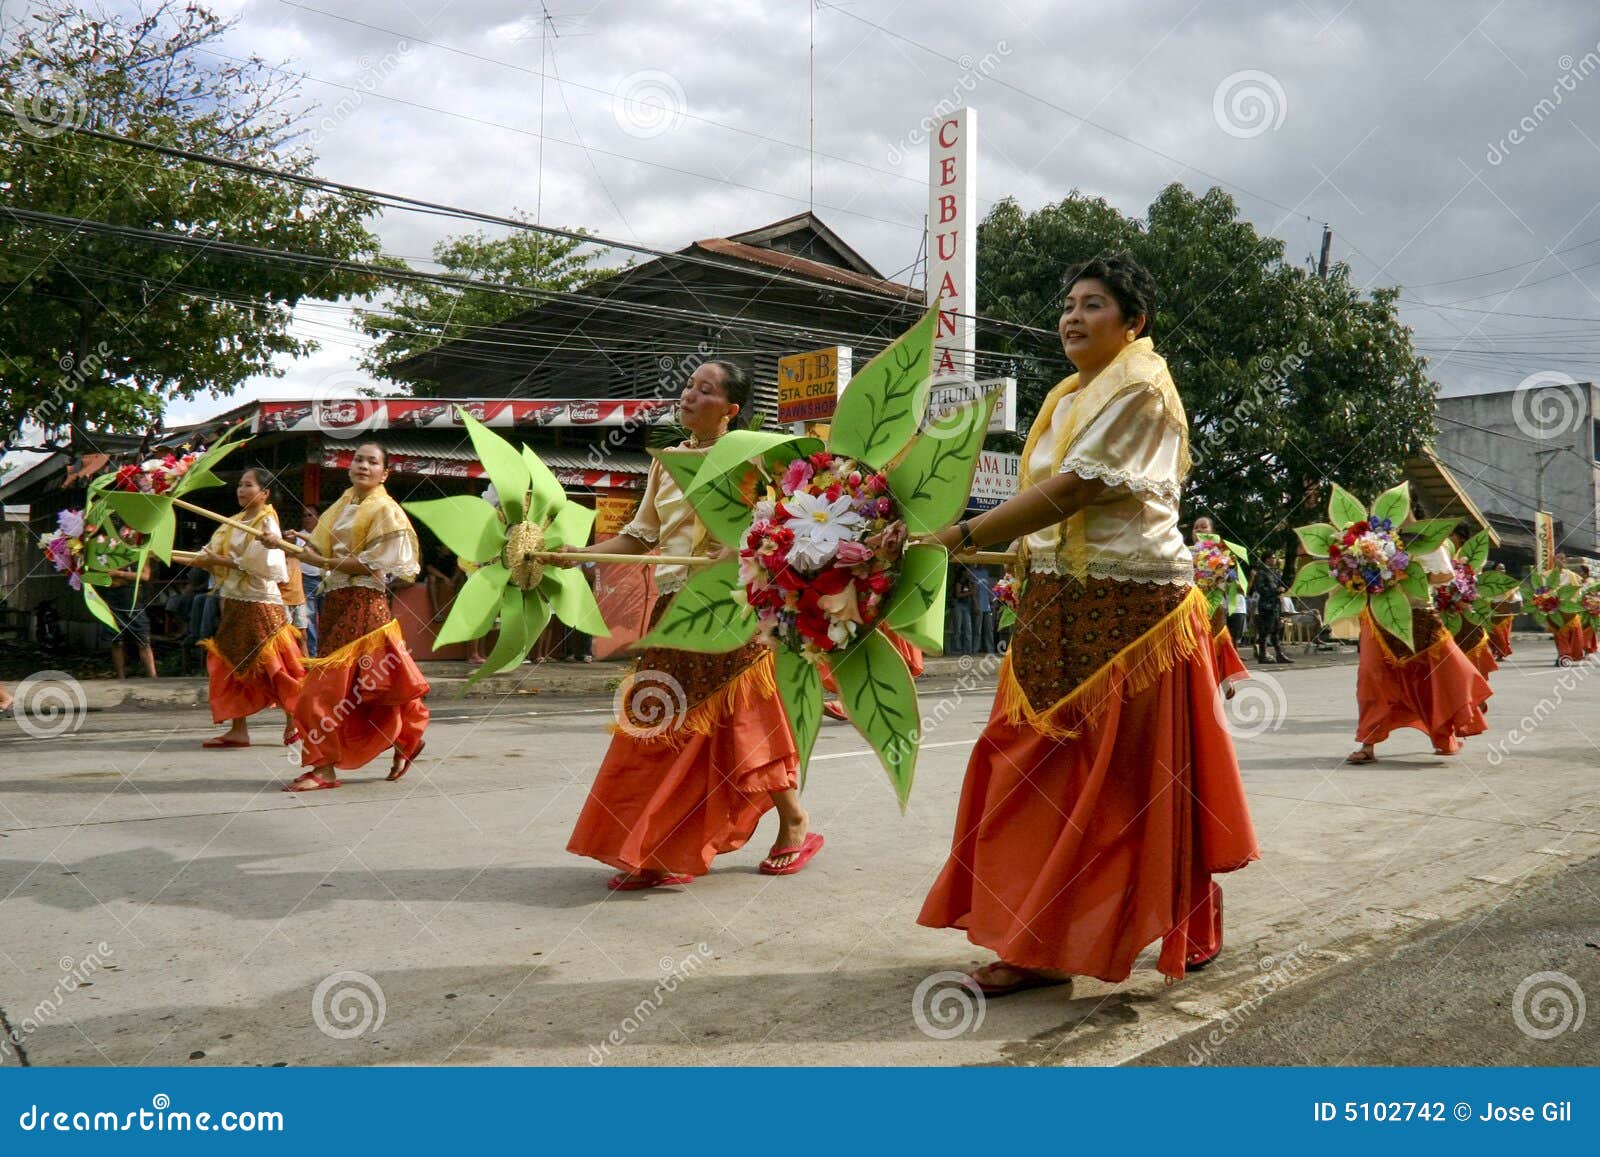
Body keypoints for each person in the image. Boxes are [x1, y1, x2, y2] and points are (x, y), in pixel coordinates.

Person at [917, 252, 1258, 994]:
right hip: (1058, 601)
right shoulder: (1070, 393)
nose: (1073, 315)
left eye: (1094, 303)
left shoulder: (1142, 385)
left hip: (1132, 611)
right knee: (1033, 768)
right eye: (1069, 303)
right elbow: (1051, 502)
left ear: (1134, 321)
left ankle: (1080, 935)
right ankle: (1037, 933)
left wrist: (960, 536)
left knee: (1129, 782)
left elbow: (1072, 491)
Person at [565, 361, 817, 888]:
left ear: (730, 410)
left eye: (705, 390)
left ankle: (794, 821)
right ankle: (657, 846)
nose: (688, 395)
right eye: (687, 385)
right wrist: (577, 555)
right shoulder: (667, 462)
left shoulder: (753, 458)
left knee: (745, 715)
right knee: (657, 721)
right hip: (674, 609)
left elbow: (787, 527)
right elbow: (639, 537)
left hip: (731, 605)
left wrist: (747, 543)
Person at [262, 443, 430, 791]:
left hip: (365, 604)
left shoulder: (386, 510)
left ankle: (322, 768)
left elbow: (372, 563)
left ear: (384, 473)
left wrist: (324, 563)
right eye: (358, 460)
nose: (363, 466)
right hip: (336, 601)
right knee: (375, 686)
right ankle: (407, 738)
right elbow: (316, 553)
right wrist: (280, 544)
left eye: (372, 462)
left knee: (321, 692)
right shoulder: (341, 506)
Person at [192, 467, 305, 748]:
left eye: (248, 485)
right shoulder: (234, 521)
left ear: (264, 493)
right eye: (240, 484)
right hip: (233, 602)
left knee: (275, 666)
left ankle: (295, 719)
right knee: (233, 664)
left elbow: (262, 565)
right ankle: (238, 729)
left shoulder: (268, 523)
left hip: (260, 604)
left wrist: (217, 560)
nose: (241, 490)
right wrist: (203, 559)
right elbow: (213, 553)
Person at [1346, 543, 1490, 763]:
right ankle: (1368, 743)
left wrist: (1400, 573)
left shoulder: (1431, 542)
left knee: (1438, 677)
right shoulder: (1370, 539)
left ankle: (1451, 724)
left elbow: (1442, 577)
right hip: (1378, 616)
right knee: (1370, 675)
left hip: (1420, 617)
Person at [1192, 516, 1248, 698]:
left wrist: (1225, 576)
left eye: (1204, 527)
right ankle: (1202, 683)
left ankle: (1225, 677)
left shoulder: (1221, 552)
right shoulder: (1184, 552)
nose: (1200, 530)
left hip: (1215, 606)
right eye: (1196, 528)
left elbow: (1234, 580)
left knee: (1219, 640)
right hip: (1191, 606)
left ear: (1212, 531)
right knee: (1196, 645)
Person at [102, 548, 158, 680]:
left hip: (134, 600)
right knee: (117, 641)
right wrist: (128, 577)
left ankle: (153, 675)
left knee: (143, 640)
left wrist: (118, 574)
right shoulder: (110, 550)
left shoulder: (142, 553)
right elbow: (106, 575)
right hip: (114, 599)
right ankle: (121, 676)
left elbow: (145, 576)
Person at [1251, 551, 1293, 664]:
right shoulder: (1260, 573)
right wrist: (1275, 591)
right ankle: (1262, 655)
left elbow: (1280, 584)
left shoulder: (1275, 572)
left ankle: (1279, 654)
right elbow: (1260, 589)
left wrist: (1282, 588)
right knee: (1265, 631)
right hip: (1266, 605)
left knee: (1276, 630)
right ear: (1267, 559)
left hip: (1275, 604)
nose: (1275, 559)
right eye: (1273, 557)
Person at [296, 507, 322, 656]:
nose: (306, 518)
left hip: (325, 579)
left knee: (327, 617)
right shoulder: (299, 536)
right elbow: (302, 554)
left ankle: (325, 652)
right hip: (307, 579)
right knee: (309, 618)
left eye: (310, 515)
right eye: (304, 515)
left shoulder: (324, 535)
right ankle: (313, 655)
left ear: (318, 517)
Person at [1487, 563, 1518, 660]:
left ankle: (1501, 654)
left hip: (1506, 611)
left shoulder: (1510, 582)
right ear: (1494, 570)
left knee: (1504, 636)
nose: (1502, 570)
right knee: (1495, 635)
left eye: (1503, 569)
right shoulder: (1488, 583)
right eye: (1499, 568)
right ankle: (1495, 651)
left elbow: (1516, 598)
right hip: (1493, 611)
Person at [947, 567, 975, 654]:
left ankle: (968, 649)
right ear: (963, 572)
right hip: (958, 605)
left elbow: (973, 592)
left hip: (966, 606)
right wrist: (970, 593)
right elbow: (958, 594)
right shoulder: (958, 582)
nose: (969, 573)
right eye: (967, 571)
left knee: (968, 628)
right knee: (958, 628)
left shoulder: (968, 582)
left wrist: (970, 582)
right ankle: (957, 649)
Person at [972, 567, 997, 654]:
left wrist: (992, 603)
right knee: (977, 629)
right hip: (979, 605)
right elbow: (973, 592)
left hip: (988, 606)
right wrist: (976, 604)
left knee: (989, 629)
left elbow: (990, 591)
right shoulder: (974, 572)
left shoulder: (987, 575)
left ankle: (990, 649)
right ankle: (975, 649)